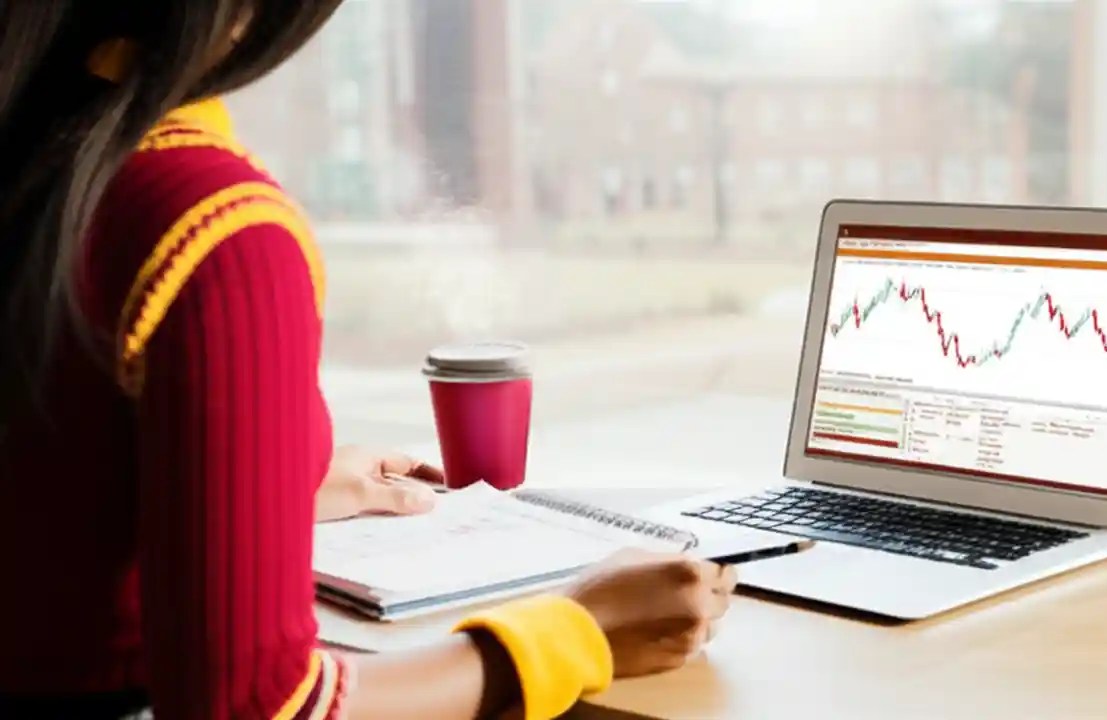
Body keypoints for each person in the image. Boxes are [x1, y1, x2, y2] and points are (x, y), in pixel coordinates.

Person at [0, 2, 736, 718]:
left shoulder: (42, 153)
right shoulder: (211, 223)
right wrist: (577, 630)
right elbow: (256, 705)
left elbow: (48, 485)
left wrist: (276, 490)